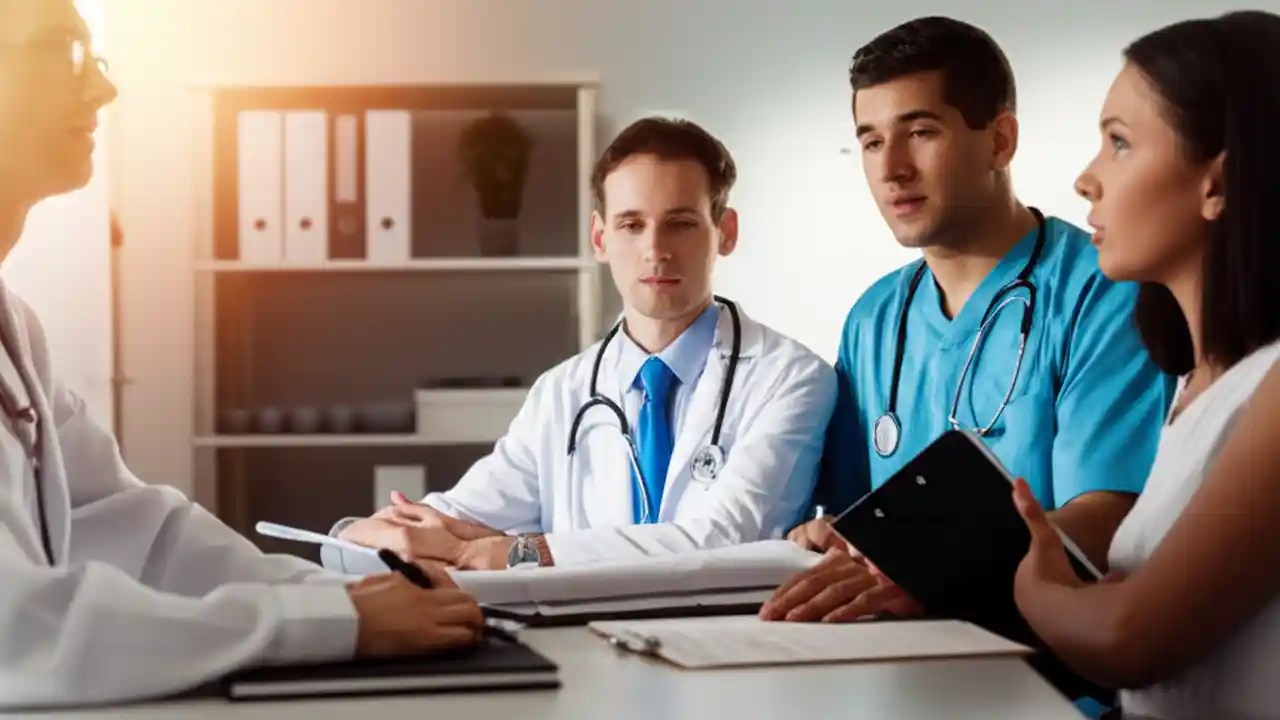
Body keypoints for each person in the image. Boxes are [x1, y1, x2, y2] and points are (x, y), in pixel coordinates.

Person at [0, 0, 483, 709]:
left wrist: (347, 595)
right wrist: (330, 623)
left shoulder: (16, 326)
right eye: (62, 52)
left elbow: (142, 534)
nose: (102, 89)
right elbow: (17, 633)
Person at [762, 16, 1171, 624]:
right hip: (896, 666)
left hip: (1046, 673)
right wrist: (824, 539)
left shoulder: (1102, 291)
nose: (891, 168)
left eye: (920, 132)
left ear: (1000, 140)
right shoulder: (874, 321)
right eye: (871, 141)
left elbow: (1105, 518)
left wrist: (932, 566)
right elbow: (856, 520)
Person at [330, 118, 837, 570]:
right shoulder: (561, 391)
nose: (654, 250)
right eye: (631, 225)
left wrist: (522, 551)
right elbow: (457, 517)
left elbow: (725, 538)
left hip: (734, 647)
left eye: (680, 224)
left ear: (725, 232)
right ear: (599, 239)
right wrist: (358, 534)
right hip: (588, 649)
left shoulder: (791, 377)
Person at [1013, 11, 1280, 720]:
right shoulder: (1195, 388)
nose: (1084, 179)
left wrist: (1039, 590)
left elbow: (1132, 640)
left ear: (1217, 183)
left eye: (1119, 143)